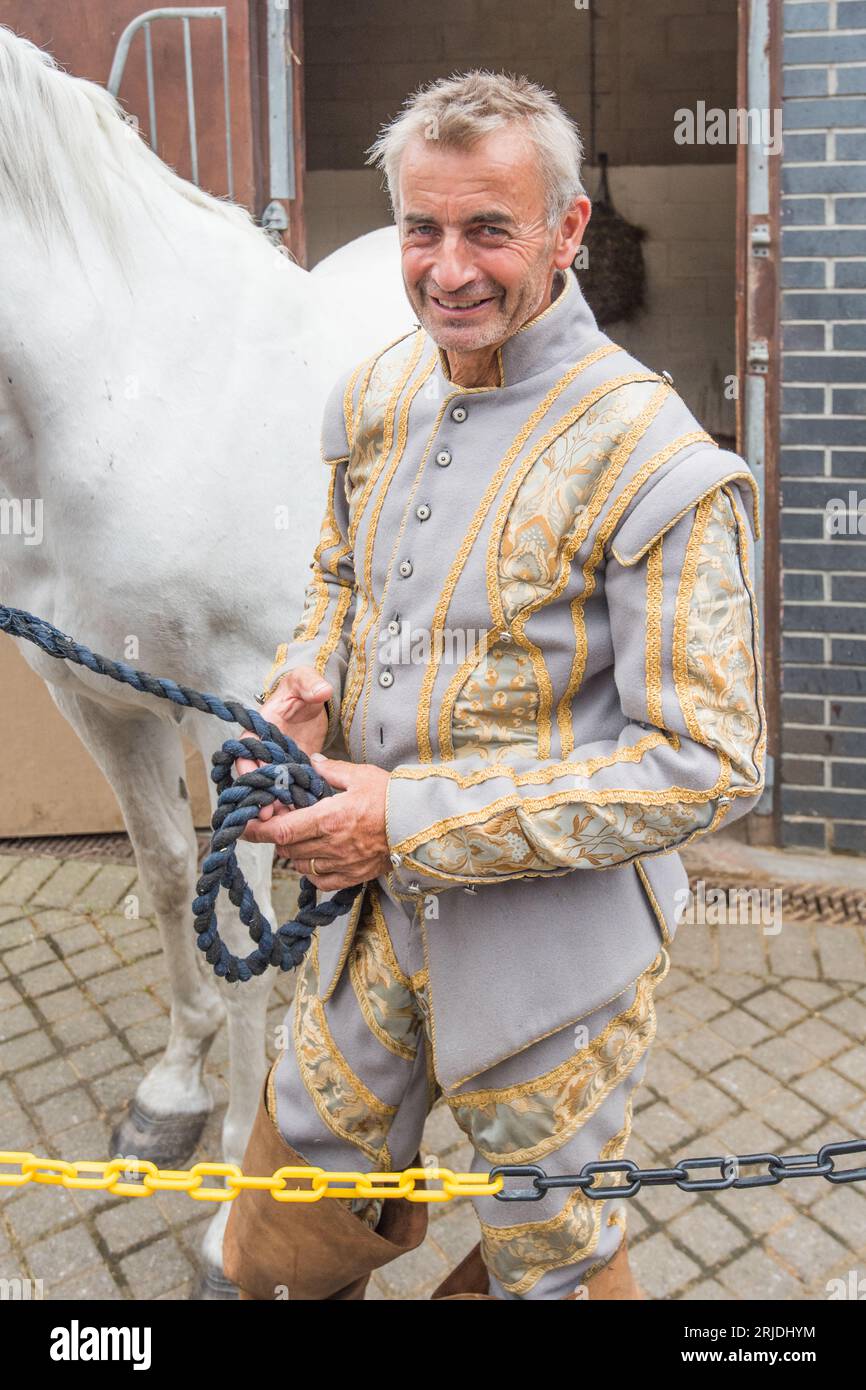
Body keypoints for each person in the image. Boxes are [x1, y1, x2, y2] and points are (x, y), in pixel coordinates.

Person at [223, 70, 765, 1301]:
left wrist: (396, 819)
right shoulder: (373, 395)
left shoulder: (656, 458)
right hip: (361, 931)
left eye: (488, 230)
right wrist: (303, 680)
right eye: (422, 228)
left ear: (567, 231)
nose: (447, 269)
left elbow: (707, 765)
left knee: (550, 1259)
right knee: (288, 1207)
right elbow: (337, 579)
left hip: (548, 965)